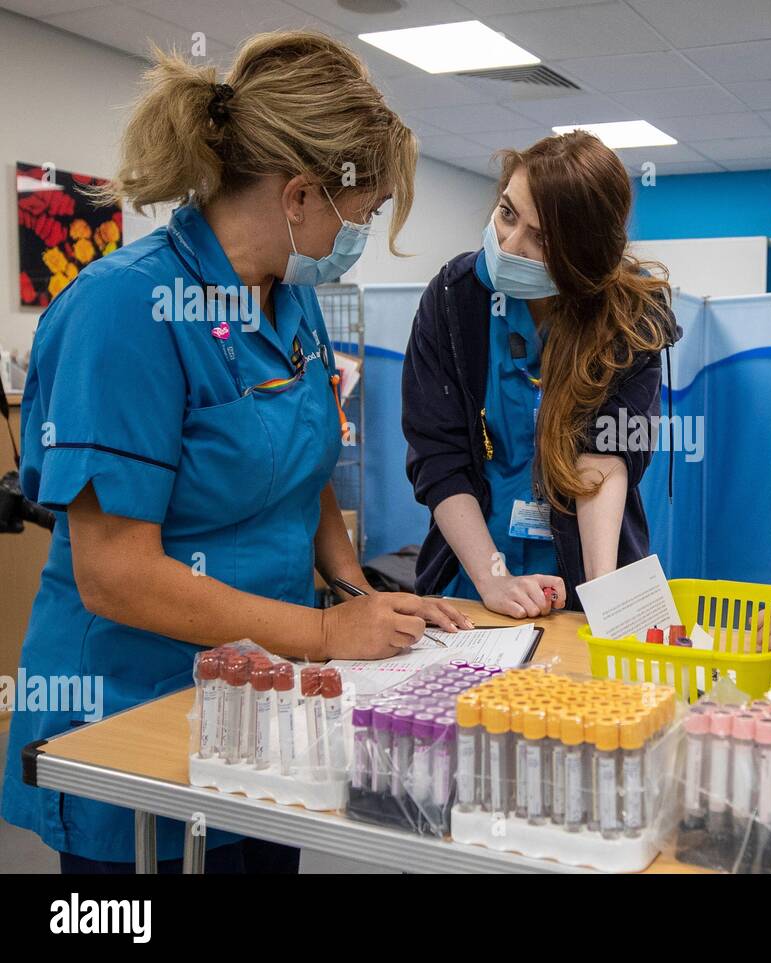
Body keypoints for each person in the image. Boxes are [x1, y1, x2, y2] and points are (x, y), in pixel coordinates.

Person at [2, 31, 469, 874]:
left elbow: (307, 474)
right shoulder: (124, 311)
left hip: (267, 712)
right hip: (134, 710)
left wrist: (369, 602)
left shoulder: (291, 301)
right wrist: (326, 631)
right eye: (359, 216)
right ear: (299, 196)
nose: (358, 235)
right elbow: (116, 573)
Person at [403, 132, 677, 619]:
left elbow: (604, 456)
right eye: (508, 213)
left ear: (585, 255)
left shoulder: (630, 315)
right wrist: (494, 579)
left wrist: (603, 599)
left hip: (584, 570)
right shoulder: (454, 297)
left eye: (542, 238)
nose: (510, 245)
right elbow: (438, 457)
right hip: (474, 574)